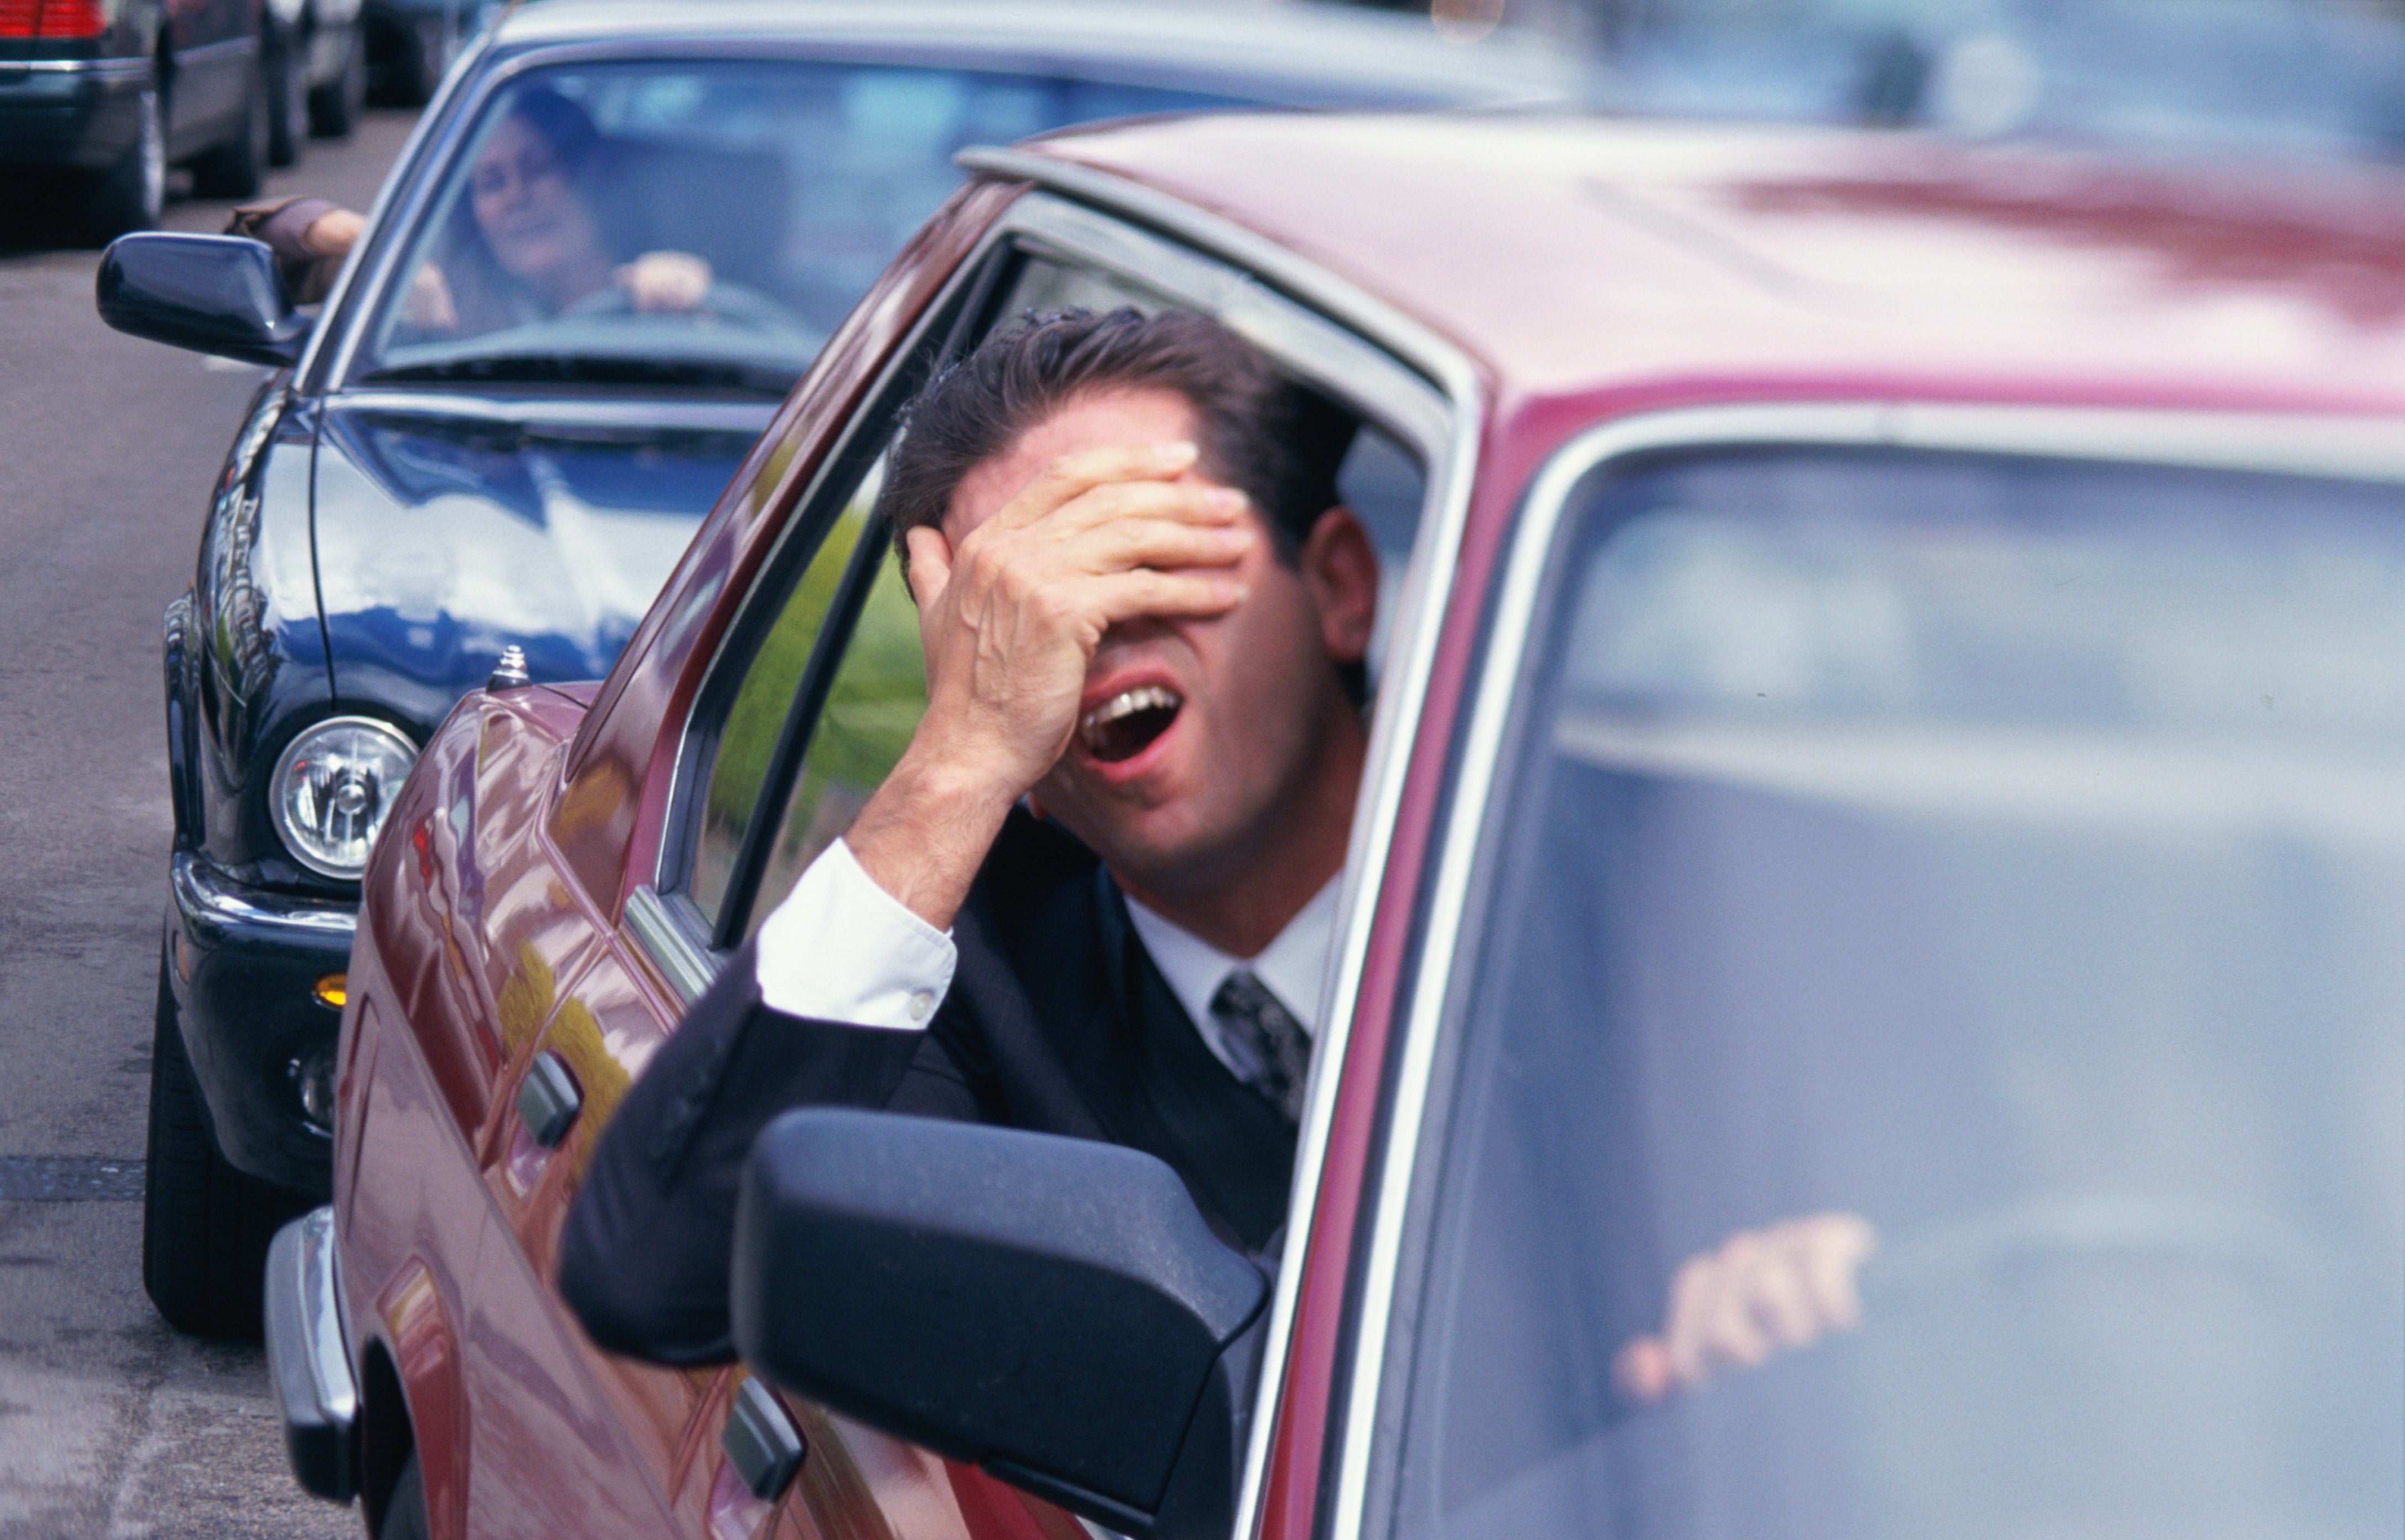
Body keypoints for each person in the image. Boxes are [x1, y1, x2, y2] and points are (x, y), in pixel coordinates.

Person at [560, 308, 1868, 1400]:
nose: (1092, 634)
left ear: (1339, 585)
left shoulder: (1672, 889)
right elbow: (653, 1274)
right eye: (1028, 606)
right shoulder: (973, 981)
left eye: (1143, 560)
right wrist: (960, 759)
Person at [230, 87, 712, 321]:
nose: (516, 196)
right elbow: (258, 245)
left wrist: (689, 305)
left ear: (590, 179)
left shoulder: (678, 281)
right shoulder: (453, 283)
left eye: (537, 168)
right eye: (491, 182)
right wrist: (388, 249)